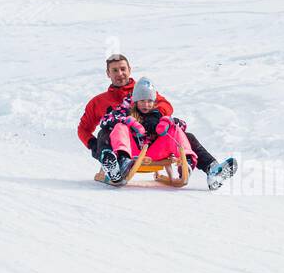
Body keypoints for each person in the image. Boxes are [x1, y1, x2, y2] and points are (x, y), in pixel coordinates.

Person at [77, 54, 236, 189]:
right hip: (122, 146)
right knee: (105, 132)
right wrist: (94, 146)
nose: (120, 73)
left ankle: (213, 170)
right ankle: (115, 163)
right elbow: (84, 129)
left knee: (187, 136)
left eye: (123, 69)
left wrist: (157, 116)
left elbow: (165, 104)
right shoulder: (98, 102)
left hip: (151, 144)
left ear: (129, 70)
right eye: (115, 70)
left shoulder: (143, 89)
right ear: (108, 73)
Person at [97, 77, 196, 184]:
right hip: (133, 152)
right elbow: (105, 121)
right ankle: (122, 160)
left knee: (175, 129)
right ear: (135, 101)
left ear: (154, 101)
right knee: (120, 126)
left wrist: (168, 121)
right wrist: (128, 121)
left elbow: (183, 126)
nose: (146, 104)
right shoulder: (126, 110)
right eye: (142, 101)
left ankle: (186, 162)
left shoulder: (159, 113)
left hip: (156, 151)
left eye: (149, 101)